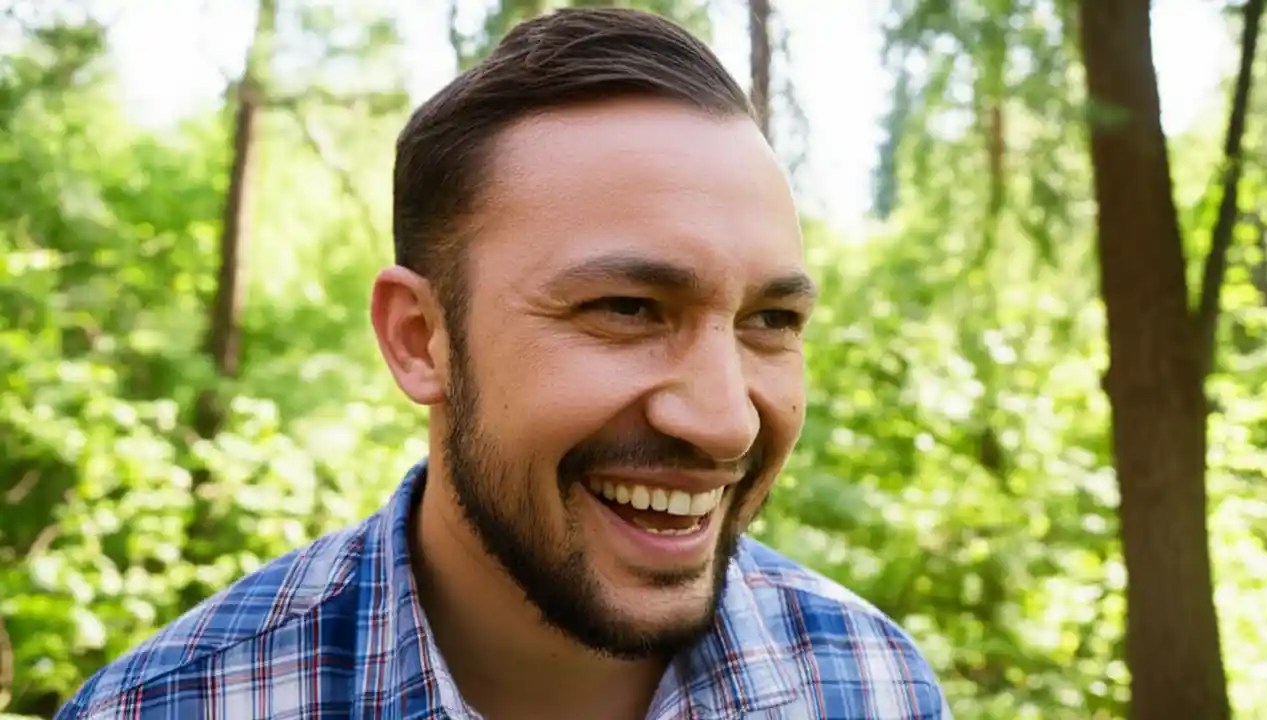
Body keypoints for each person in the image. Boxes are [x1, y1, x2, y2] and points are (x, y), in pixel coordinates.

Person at [58, 8, 950, 719]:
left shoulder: (871, 686)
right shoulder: (173, 705)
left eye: (770, 319)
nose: (726, 419)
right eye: (626, 309)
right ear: (419, 338)